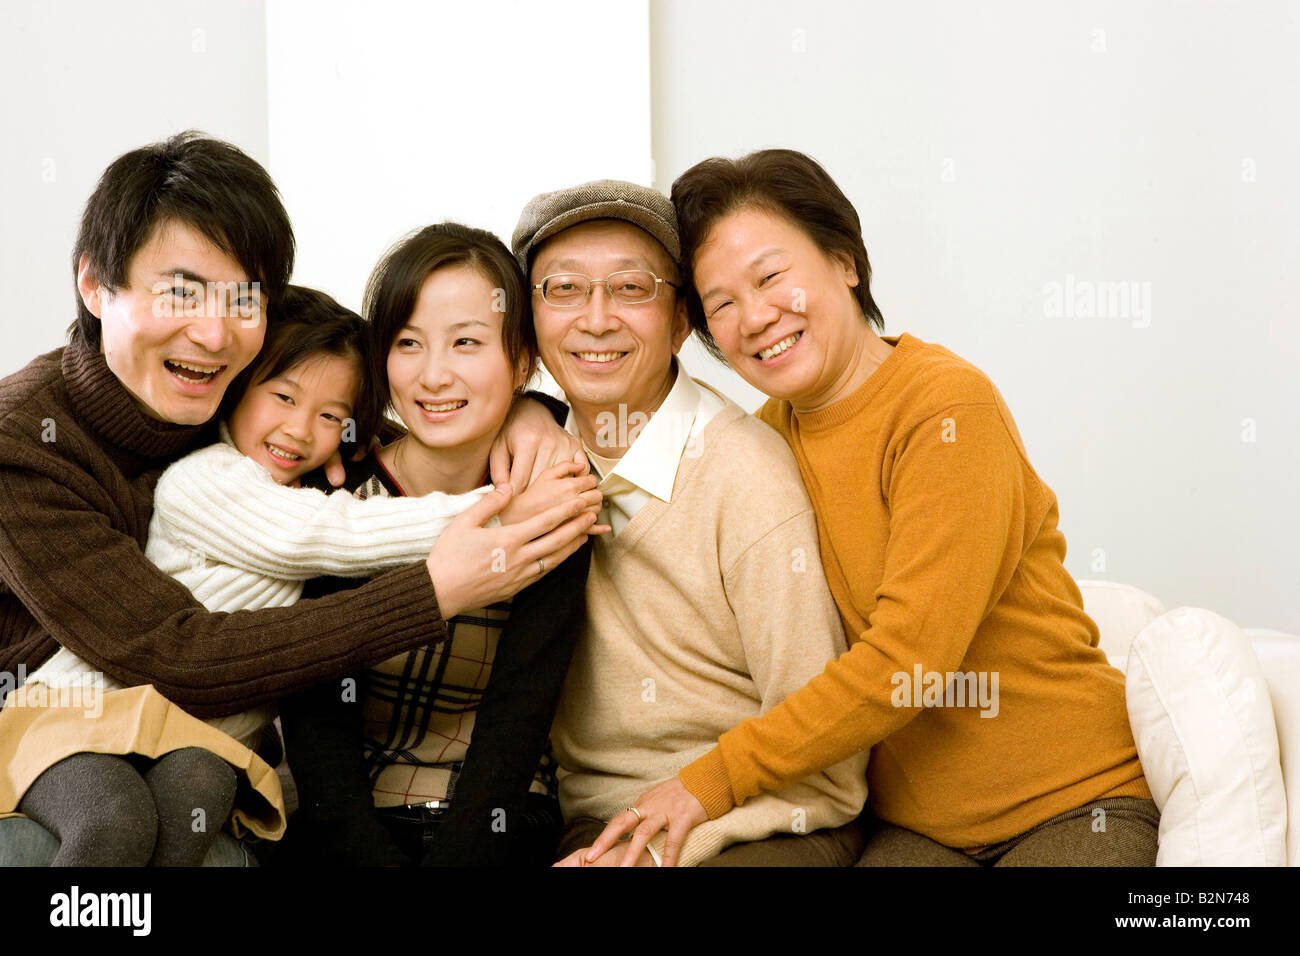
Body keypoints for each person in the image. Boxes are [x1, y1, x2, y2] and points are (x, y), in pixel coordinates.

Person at [0, 132, 591, 864]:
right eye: (180, 291)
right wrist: (444, 578)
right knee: (132, 831)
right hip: (50, 746)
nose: (213, 332)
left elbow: (409, 412)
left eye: (243, 299)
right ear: (95, 284)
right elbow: (174, 651)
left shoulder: (251, 417)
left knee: (209, 826)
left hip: (185, 741)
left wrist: (540, 414)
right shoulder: (25, 443)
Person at [586, 148, 1159, 867]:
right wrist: (533, 426)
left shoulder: (944, 406)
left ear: (844, 262)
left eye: (770, 277)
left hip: (1073, 801)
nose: (756, 317)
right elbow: (649, 499)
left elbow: (909, 659)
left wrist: (708, 783)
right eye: (722, 304)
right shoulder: (764, 443)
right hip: (916, 828)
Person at [511, 180, 869, 867]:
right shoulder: (519, 457)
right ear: (527, 323)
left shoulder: (746, 476)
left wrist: (654, 855)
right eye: (563, 290)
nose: (596, 318)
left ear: (681, 320)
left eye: (631, 288)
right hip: (602, 824)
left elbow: (830, 770)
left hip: (767, 818)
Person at [278, 224, 602, 867]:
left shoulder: (552, 495)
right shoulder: (337, 490)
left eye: (466, 343)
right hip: (351, 823)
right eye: (407, 343)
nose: (434, 375)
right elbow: (317, 716)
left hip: (503, 817)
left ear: (521, 361)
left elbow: (521, 710)